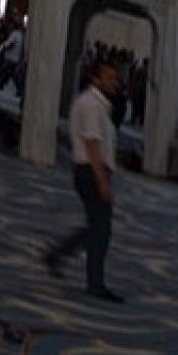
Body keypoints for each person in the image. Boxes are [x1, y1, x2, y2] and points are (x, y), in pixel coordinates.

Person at [43, 58, 124, 303]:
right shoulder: (91, 105)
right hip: (91, 171)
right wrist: (102, 181)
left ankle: (59, 256)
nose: (114, 83)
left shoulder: (99, 105)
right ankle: (93, 282)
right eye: (109, 78)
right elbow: (92, 144)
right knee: (101, 229)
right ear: (95, 79)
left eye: (114, 78)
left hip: (91, 170)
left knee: (97, 227)